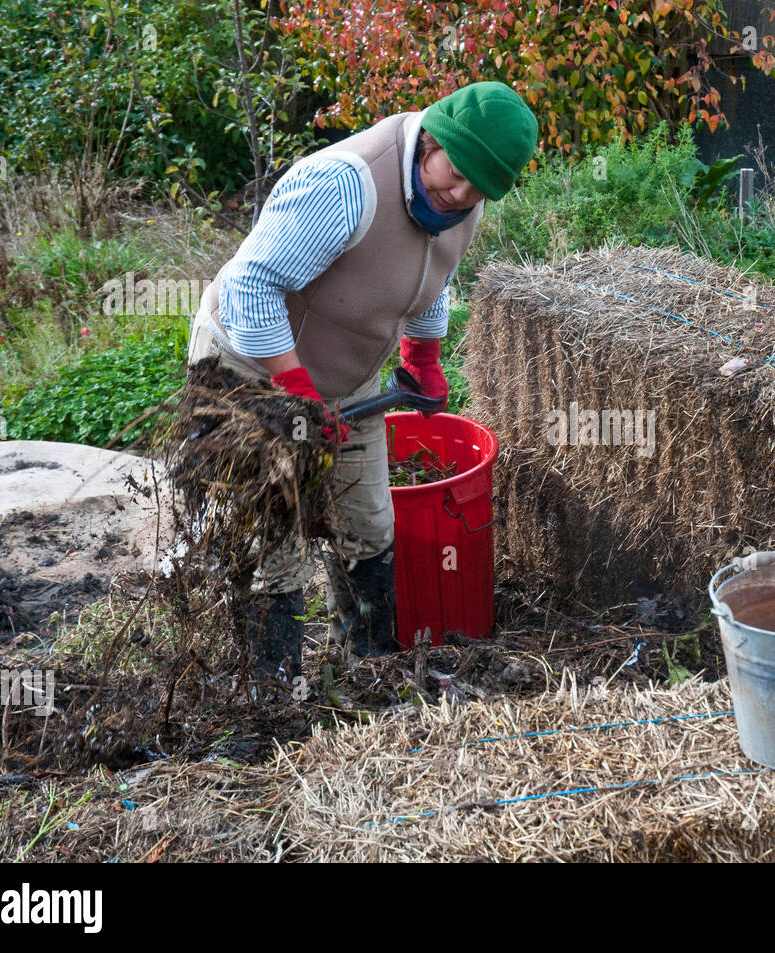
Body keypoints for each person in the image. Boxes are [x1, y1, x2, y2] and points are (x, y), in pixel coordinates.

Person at [186, 81, 538, 691]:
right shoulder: (345, 185)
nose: (458, 196)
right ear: (431, 138)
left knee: (370, 524)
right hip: (251, 371)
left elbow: (433, 275)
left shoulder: (463, 198)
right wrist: (293, 387)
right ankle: (272, 693)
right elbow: (250, 287)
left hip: (346, 379)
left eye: (476, 191)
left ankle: (370, 668)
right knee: (276, 544)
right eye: (453, 175)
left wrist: (423, 353)